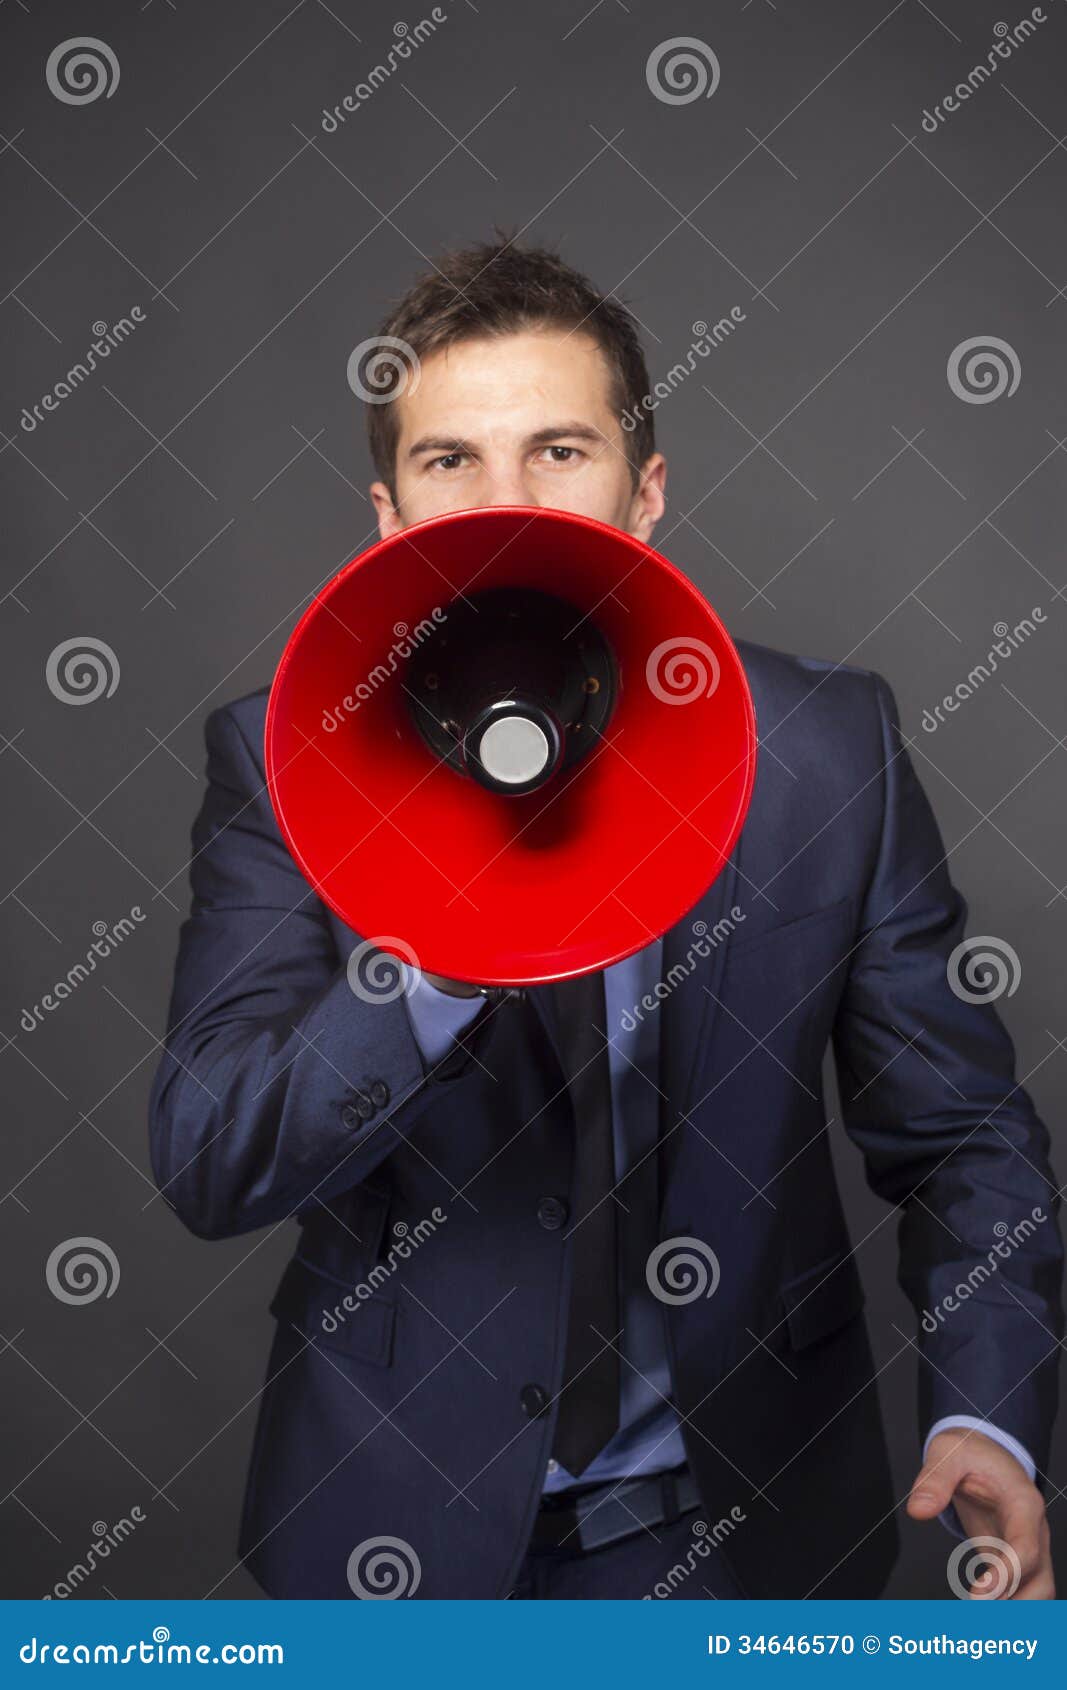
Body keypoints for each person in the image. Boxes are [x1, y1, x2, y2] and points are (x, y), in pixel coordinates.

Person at [149, 239, 1062, 1600]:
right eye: (451, 459)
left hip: (738, 1534)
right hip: (392, 1531)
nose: (508, 505)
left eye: (560, 451)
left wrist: (987, 1412)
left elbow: (961, 1136)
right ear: (390, 516)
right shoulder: (289, 760)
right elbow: (212, 1155)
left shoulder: (824, 751)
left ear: (646, 492)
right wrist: (433, 967)